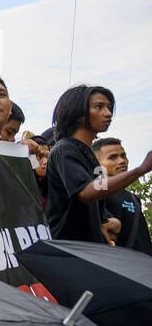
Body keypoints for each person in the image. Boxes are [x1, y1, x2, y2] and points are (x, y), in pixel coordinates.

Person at [45, 86, 151, 245]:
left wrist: (110, 220)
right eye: (99, 107)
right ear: (78, 114)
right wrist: (140, 170)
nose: (108, 113)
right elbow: (87, 192)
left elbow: (99, 193)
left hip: (91, 251)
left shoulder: (91, 158)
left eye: (109, 107)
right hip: (70, 251)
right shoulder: (64, 150)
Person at [93, 138, 152, 254]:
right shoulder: (97, 195)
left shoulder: (134, 198)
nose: (121, 161)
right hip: (116, 264)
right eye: (112, 157)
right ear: (97, 164)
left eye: (123, 156)